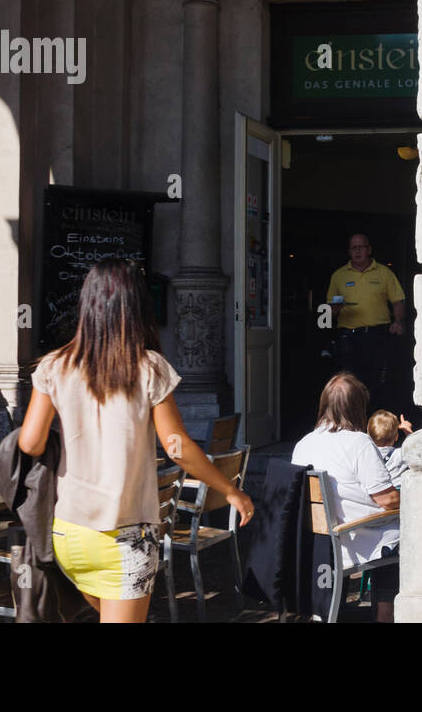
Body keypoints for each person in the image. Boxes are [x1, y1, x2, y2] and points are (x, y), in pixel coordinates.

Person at [18, 259, 254, 623]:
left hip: (70, 534)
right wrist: (231, 490)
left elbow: (31, 443)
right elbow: (177, 445)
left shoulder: (54, 365)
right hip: (125, 538)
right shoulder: (149, 368)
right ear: (134, 306)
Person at [291, 372, 400, 622]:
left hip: (320, 540)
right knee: (400, 534)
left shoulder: (303, 444)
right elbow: (387, 500)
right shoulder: (359, 443)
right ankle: (386, 615)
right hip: (355, 537)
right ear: (357, 407)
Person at [326, 233, 406, 403]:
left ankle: (375, 422)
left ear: (369, 249)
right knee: (349, 384)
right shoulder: (338, 276)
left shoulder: (384, 273)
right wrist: (334, 309)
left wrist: (398, 321)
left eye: (361, 247)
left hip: (377, 336)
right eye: (353, 248)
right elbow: (329, 309)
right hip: (349, 337)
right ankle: (352, 422)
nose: (357, 251)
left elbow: (398, 301)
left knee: (377, 382)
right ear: (349, 251)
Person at [367, 409, 412, 489]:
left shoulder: (366, 455)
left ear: (369, 435)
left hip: (377, 494)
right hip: (399, 495)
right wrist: (408, 431)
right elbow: (417, 449)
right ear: (396, 437)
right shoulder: (400, 454)